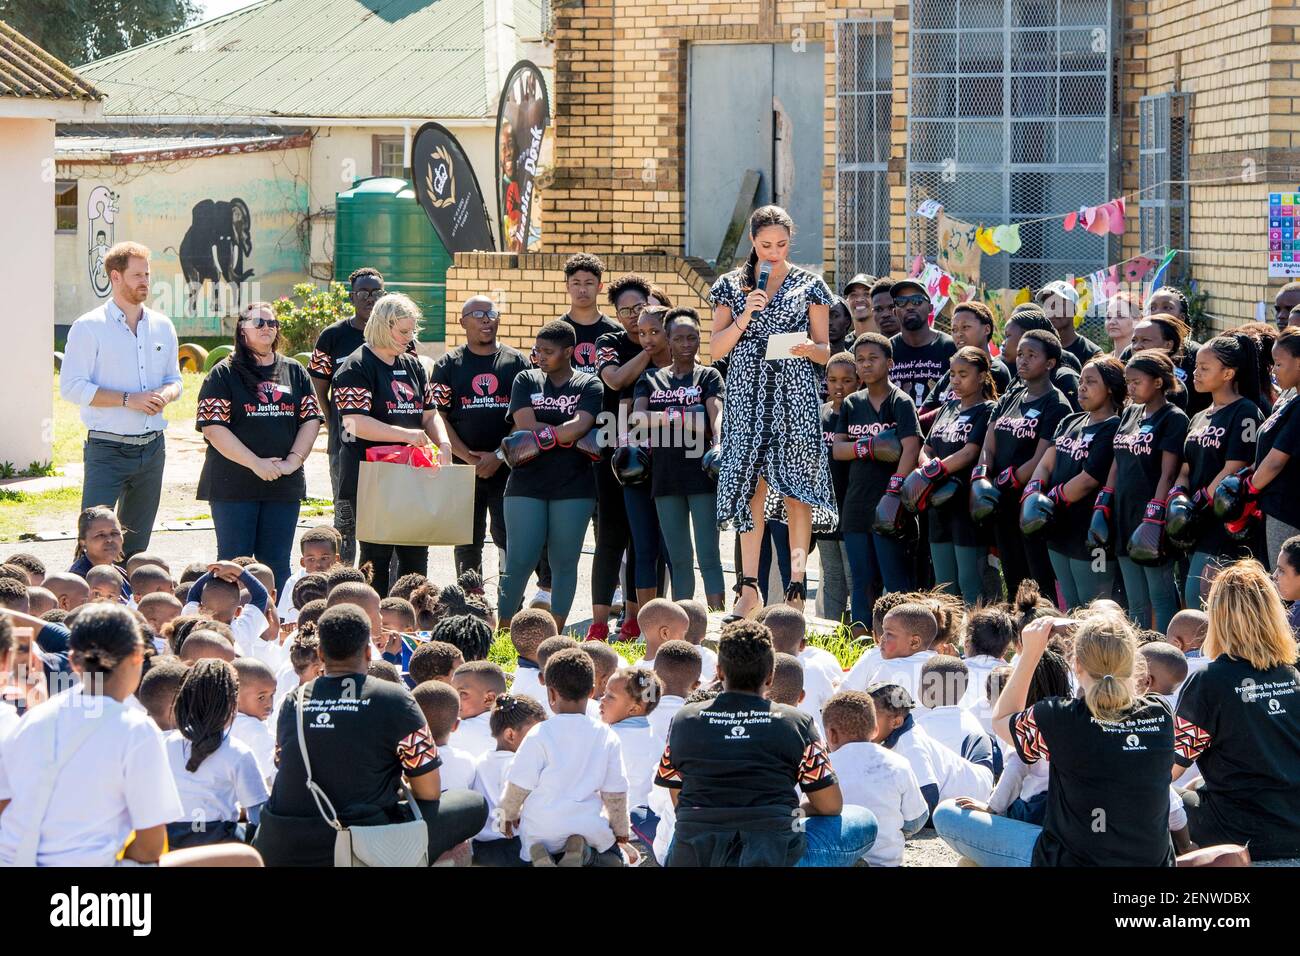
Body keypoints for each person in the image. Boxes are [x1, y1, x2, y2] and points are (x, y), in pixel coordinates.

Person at [934, 612, 1176, 867]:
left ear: (1077, 664)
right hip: (1152, 862)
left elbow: (1001, 718)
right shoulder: (1160, 712)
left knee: (948, 814)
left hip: (1070, 861)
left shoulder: (1058, 717)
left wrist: (1030, 654)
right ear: (1133, 663)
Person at [252, 605, 487, 866]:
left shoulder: (293, 702)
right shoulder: (396, 699)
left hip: (283, 845)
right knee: (473, 805)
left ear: (320, 653)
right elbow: (429, 792)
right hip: (363, 843)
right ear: (367, 652)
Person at [653, 620, 875, 867]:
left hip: (694, 855)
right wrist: (795, 810)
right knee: (864, 819)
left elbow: (681, 802)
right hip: (774, 854)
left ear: (719, 672)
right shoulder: (796, 722)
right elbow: (831, 806)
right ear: (770, 677)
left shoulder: (684, 720)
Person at [709, 205, 838, 619]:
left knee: (797, 494)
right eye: (766, 245)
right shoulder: (729, 286)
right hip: (747, 397)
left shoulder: (810, 285)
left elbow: (825, 350)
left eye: (781, 244)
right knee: (751, 491)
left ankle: (797, 587)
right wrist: (746, 314)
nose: (774, 251)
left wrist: (804, 347)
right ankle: (749, 590)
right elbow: (715, 350)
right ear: (752, 241)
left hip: (794, 397)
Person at [0, 604, 185, 866]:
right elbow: (150, 846)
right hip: (80, 895)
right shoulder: (136, 729)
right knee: (242, 857)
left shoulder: (34, 717)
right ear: (137, 655)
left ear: (74, 663)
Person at [60, 242, 182, 558]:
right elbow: (71, 387)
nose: (145, 281)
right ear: (116, 276)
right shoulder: (88, 327)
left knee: (137, 550)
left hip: (153, 449)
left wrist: (165, 395)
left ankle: (128, 605)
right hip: (106, 450)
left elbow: (176, 381)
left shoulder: (162, 326)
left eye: (147, 274)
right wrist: (129, 399)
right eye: (137, 275)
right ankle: (84, 604)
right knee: (94, 545)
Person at [1173, 560, 1300, 859]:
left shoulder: (1208, 682)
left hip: (1238, 835)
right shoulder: (1294, 677)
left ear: (1217, 618)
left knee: (1162, 800)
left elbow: (1166, 768)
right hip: (1294, 828)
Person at [195, 302, 323, 594]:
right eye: (259, 322)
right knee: (233, 563)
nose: (268, 328)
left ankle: (275, 626)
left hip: (283, 483)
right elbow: (213, 429)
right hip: (233, 486)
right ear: (242, 330)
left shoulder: (294, 370)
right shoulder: (223, 373)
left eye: (272, 323)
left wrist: (293, 461)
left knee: (277, 564)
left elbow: (312, 419)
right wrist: (256, 463)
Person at [332, 293, 452, 598]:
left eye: (412, 331)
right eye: (403, 331)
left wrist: (444, 443)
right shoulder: (356, 366)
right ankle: (375, 625)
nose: (409, 338)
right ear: (384, 326)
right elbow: (354, 422)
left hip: (414, 473)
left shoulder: (413, 365)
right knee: (376, 556)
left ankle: (412, 624)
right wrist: (406, 435)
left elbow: (430, 414)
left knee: (415, 557)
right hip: (373, 476)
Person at [496, 320, 604, 631]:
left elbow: (583, 424)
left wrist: (543, 439)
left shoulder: (589, 384)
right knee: (519, 560)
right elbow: (525, 423)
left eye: (548, 351)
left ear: (568, 351)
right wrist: (565, 437)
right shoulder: (525, 380)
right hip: (525, 483)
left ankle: (555, 631)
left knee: (564, 562)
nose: (540, 357)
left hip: (574, 485)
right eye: (537, 350)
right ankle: (503, 630)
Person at [500, 648, 631, 866]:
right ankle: (583, 854)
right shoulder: (606, 734)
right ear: (591, 692)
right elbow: (615, 791)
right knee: (614, 858)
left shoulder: (539, 733)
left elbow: (518, 784)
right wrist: (620, 829)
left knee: (530, 849)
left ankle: (542, 860)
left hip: (540, 831)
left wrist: (507, 815)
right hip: (587, 826)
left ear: (551, 693)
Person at [430, 295, 529, 583]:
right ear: (462, 322)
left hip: (507, 467)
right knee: (466, 538)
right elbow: (438, 417)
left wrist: (498, 456)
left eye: (491, 312)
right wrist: (468, 459)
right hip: (464, 471)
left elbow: (526, 418)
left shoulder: (517, 363)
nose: (486, 319)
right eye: (477, 314)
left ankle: (509, 598)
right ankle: (470, 597)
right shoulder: (448, 364)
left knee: (507, 535)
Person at [632, 308, 726, 608]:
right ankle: (683, 624)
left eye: (693, 338)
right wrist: (685, 415)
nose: (686, 344)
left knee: (709, 555)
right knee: (679, 558)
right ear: (668, 342)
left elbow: (715, 414)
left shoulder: (709, 375)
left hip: (701, 474)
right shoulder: (650, 378)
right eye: (679, 338)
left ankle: (716, 621)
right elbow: (637, 419)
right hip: (665, 477)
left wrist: (717, 439)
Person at [974, 329, 1072, 601]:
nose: (1023, 360)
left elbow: (1043, 456)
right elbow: (988, 444)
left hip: (1029, 504)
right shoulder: (1010, 397)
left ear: (1050, 363)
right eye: (1020, 354)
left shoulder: (1057, 403)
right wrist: (982, 477)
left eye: (1032, 355)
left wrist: (1010, 480)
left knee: (1038, 579)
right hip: (999, 501)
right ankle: (1018, 637)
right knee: (1013, 576)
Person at [834, 333, 921, 628]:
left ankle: (904, 637)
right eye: (860, 360)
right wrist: (869, 447)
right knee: (862, 580)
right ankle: (861, 639)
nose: (866, 365)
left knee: (895, 580)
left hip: (891, 504)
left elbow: (910, 447)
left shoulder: (902, 402)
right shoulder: (850, 404)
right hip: (857, 504)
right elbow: (838, 449)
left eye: (873, 358)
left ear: (889, 362)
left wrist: (894, 490)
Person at [308, 267, 393, 565]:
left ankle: (385, 586)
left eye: (376, 292)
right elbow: (318, 388)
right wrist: (333, 424)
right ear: (351, 296)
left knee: (391, 520)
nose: (370, 299)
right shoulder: (333, 336)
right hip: (345, 446)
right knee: (346, 519)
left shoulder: (398, 335)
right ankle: (343, 581)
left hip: (389, 447)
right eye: (363, 293)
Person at [1173, 332, 1264, 607]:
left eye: (1204, 368)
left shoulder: (1245, 411)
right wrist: (1178, 497)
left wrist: (1199, 503)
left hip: (1221, 525)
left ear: (1228, 373)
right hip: (1193, 523)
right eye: (1196, 367)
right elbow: (1186, 465)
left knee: (1198, 601)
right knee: (1186, 599)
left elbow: (1235, 466)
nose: (1195, 374)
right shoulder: (1200, 416)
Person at [1025, 355, 1124, 608]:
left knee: (1094, 608)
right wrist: (1034, 492)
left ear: (1111, 388)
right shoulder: (1070, 421)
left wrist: (1050, 499)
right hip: (1058, 530)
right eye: (1081, 381)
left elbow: (1089, 480)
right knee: (1069, 604)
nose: (1082, 387)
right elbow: (1047, 461)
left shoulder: (1114, 428)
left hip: (1089, 532)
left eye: (1090, 382)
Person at [1100, 350, 1188, 632]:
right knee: (1136, 600)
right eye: (1128, 382)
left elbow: (1169, 472)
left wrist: (1155, 517)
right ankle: (1140, 659)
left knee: (1160, 596)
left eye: (1137, 381)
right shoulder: (1130, 412)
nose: (1130, 388)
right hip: (1123, 513)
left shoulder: (1173, 418)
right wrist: (1104, 501)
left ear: (1159, 382)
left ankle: (1166, 657)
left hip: (1152, 517)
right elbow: (1117, 461)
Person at [595, 274, 661, 636]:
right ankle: (600, 624)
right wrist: (648, 350)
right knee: (611, 535)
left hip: (664, 448)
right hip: (615, 448)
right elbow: (616, 380)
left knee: (649, 539)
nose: (634, 317)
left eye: (639, 308)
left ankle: (643, 618)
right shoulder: (611, 341)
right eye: (625, 311)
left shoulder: (667, 334)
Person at [908, 347, 998, 607]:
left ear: (981, 376)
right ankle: (945, 643)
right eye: (952, 375)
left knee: (970, 583)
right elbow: (926, 447)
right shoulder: (947, 407)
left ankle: (972, 643)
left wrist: (934, 471)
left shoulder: (988, 410)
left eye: (963, 374)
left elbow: (971, 452)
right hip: (938, 505)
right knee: (944, 587)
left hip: (965, 507)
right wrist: (926, 470)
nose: (955, 381)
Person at [164, 658, 269, 848]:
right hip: (221, 846)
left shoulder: (166, 744)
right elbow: (259, 816)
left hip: (170, 844)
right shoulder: (238, 752)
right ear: (231, 704)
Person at [822, 690, 927, 866]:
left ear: (831, 734)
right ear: (875, 729)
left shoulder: (823, 767)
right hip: (888, 862)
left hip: (837, 858)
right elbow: (916, 820)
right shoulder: (899, 763)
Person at [1241, 327, 1300, 567]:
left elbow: (1277, 460)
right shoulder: (1290, 398)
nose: (1273, 371)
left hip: (1288, 508)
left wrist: (1247, 491)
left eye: (1279, 364)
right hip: (1274, 504)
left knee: (1284, 585)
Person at [470, 694, 547, 867]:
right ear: (510, 735)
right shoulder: (519, 765)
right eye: (535, 736)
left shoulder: (481, 760)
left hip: (483, 846)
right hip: (514, 844)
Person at [918, 301, 1011, 430]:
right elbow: (923, 412)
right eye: (954, 329)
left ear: (986, 329)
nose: (958, 334)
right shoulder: (950, 374)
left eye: (965, 327)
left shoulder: (995, 370)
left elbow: (968, 412)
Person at [816, 352, 857, 622]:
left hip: (852, 507)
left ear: (858, 382)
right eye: (832, 380)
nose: (838, 386)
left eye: (846, 380)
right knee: (832, 576)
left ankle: (858, 633)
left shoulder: (860, 411)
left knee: (853, 575)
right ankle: (832, 632)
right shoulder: (819, 413)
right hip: (824, 510)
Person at [888, 278, 956, 411]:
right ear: (895, 312)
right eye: (901, 302)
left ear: (930, 308)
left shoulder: (950, 347)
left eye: (917, 300)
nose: (909, 307)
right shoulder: (887, 350)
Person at [68, 506, 131, 602]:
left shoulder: (123, 574)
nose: (109, 539)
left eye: (115, 533)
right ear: (83, 542)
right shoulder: (77, 583)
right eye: (100, 535)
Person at [1037, 280, 1101, 368]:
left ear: (1074, 310)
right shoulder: (1037, 347)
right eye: (1047, 305)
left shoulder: (1091, 353)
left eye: (1058, 304)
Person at [841, 273, 878, 339]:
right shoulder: (843, 346)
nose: (859, 299)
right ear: (847, 301)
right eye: (853, 295)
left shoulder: (891, 343)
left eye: (867, 294)